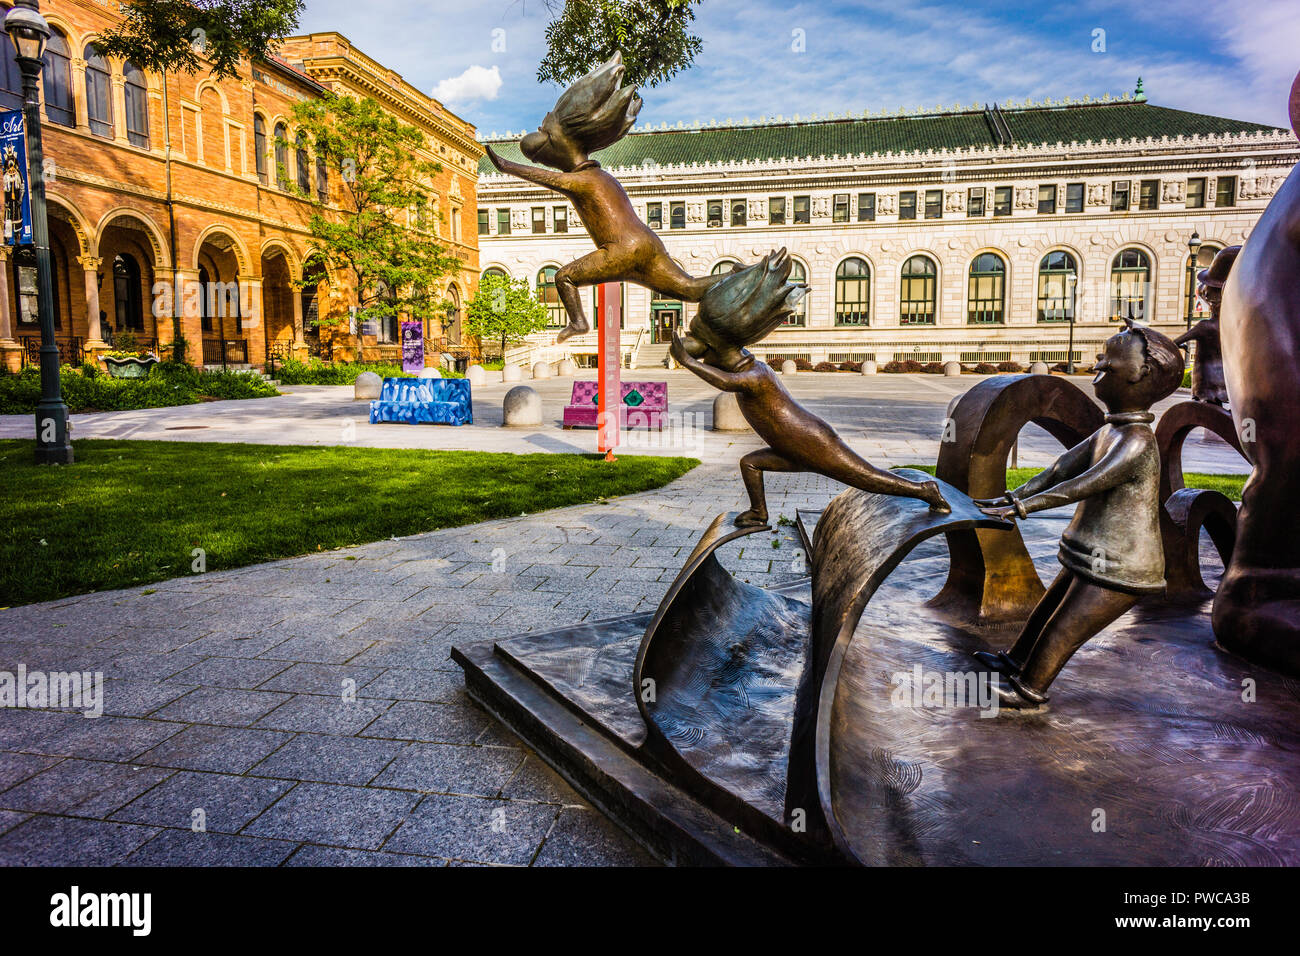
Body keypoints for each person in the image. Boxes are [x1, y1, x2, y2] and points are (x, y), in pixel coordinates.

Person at [972, 320, 1185, 707]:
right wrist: (1013, 495)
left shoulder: (1136, 441)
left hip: (1122, 569)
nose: (1097, 368)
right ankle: (1015, 661)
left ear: (1141, 374)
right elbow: (1060, 469)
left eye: (1107, 364)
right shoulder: (1111, 431)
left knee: (1062, 629)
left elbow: (1083, 484)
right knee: (1044, 613)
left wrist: (1021, 508)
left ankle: (1029, 689)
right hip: (1090, 553)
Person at [670, 249, 950, 526]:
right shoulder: (746, 367)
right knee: (750, 463)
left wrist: (687, 361)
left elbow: (722, 381)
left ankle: (924, 491)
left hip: (809, 440)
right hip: (789, 445)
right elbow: (719, 372)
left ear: (720, 349)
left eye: (706, 351)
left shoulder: (753, 375)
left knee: (866, 477)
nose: (704, 356)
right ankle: (759, 512)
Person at [484, 53, 719, 343]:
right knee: (691, 288)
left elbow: (550, 180)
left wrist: (508, 166)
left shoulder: (583, 179)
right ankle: (749, 275)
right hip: (647, 242)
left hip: (621, 250)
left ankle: (579, 322)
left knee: (563, 277)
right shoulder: (604, 177)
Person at [1173, 245, 1239, 407]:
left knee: (1206, 414)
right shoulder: (1230, 325)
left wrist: (1179, 345)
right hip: (1226, 380)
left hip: (1206, 380)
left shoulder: (1204, 326)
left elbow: (1174, 342)